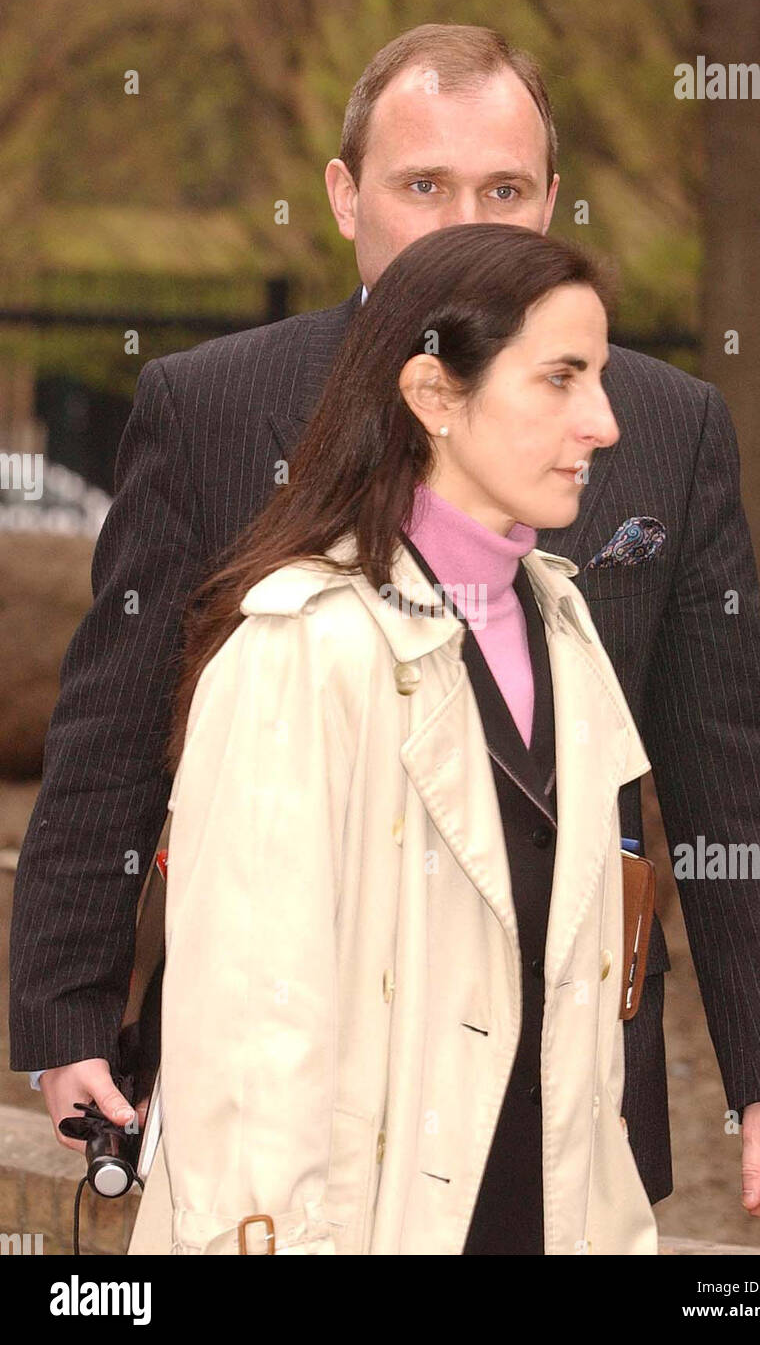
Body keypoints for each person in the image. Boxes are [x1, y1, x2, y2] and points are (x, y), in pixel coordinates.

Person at [10, 22, 760, 1227]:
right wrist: (68, 1014)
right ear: (346, 197)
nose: (464, 223)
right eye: (423, 186)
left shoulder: (656, 427)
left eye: (503, 189)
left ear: (554, 201)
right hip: (315, 1090)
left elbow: (734, 766)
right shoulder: (210, 407)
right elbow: (114, 730)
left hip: (571, 1087)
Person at [128, 221, 657, 1255]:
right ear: (433, 396)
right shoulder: (301, 650)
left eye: (598, 376)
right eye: (560, 379)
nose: (604, 422)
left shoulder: (567, 626)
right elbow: (245, 1045)